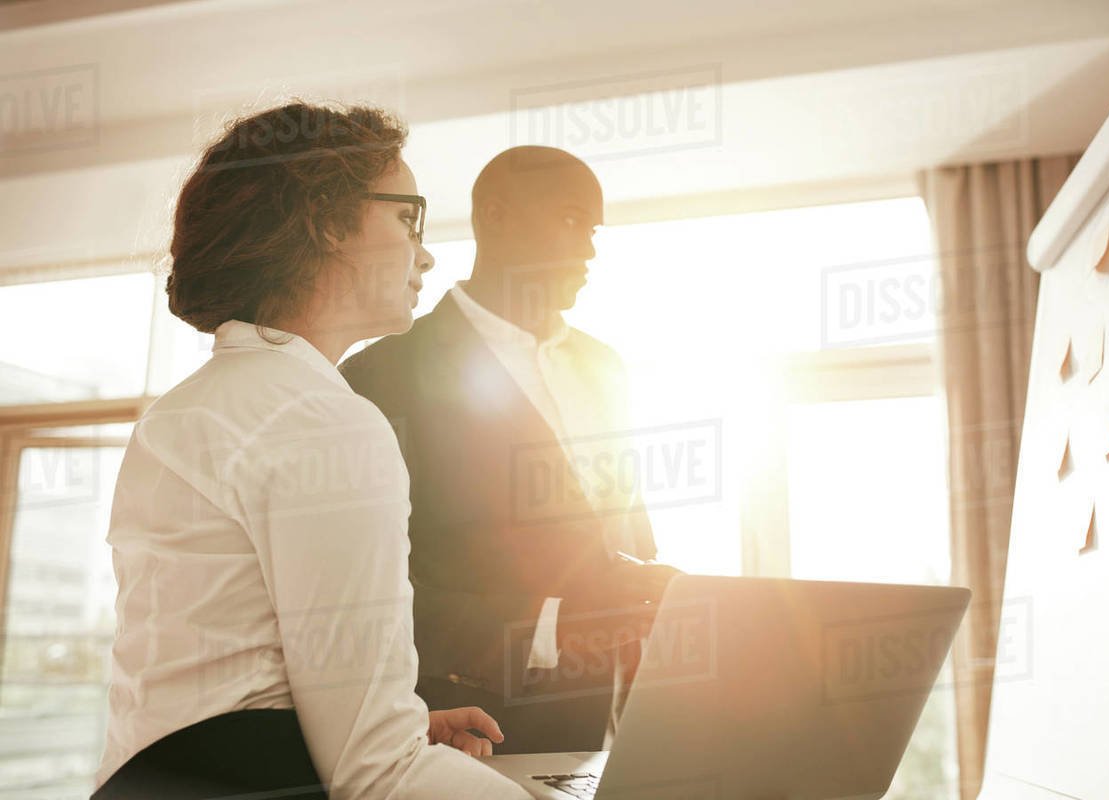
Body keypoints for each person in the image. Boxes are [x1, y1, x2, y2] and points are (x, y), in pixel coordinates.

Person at [93, 103, 531, 799]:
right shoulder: (322, 420)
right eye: (406, 218)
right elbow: (377, 773)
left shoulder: (178, 414)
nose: (425, 253)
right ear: (327, 221)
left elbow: (205, 693)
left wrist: (395, 722)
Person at [339, 146, 682, 754]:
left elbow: (623, 530)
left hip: (612, 735)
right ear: (494, 217)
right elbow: (366, 594)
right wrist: (549, 626)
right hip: (466, 733)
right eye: (572, 221)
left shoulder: (606, 368)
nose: (589, 250)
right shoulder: (381, 375)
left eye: (594, 230)